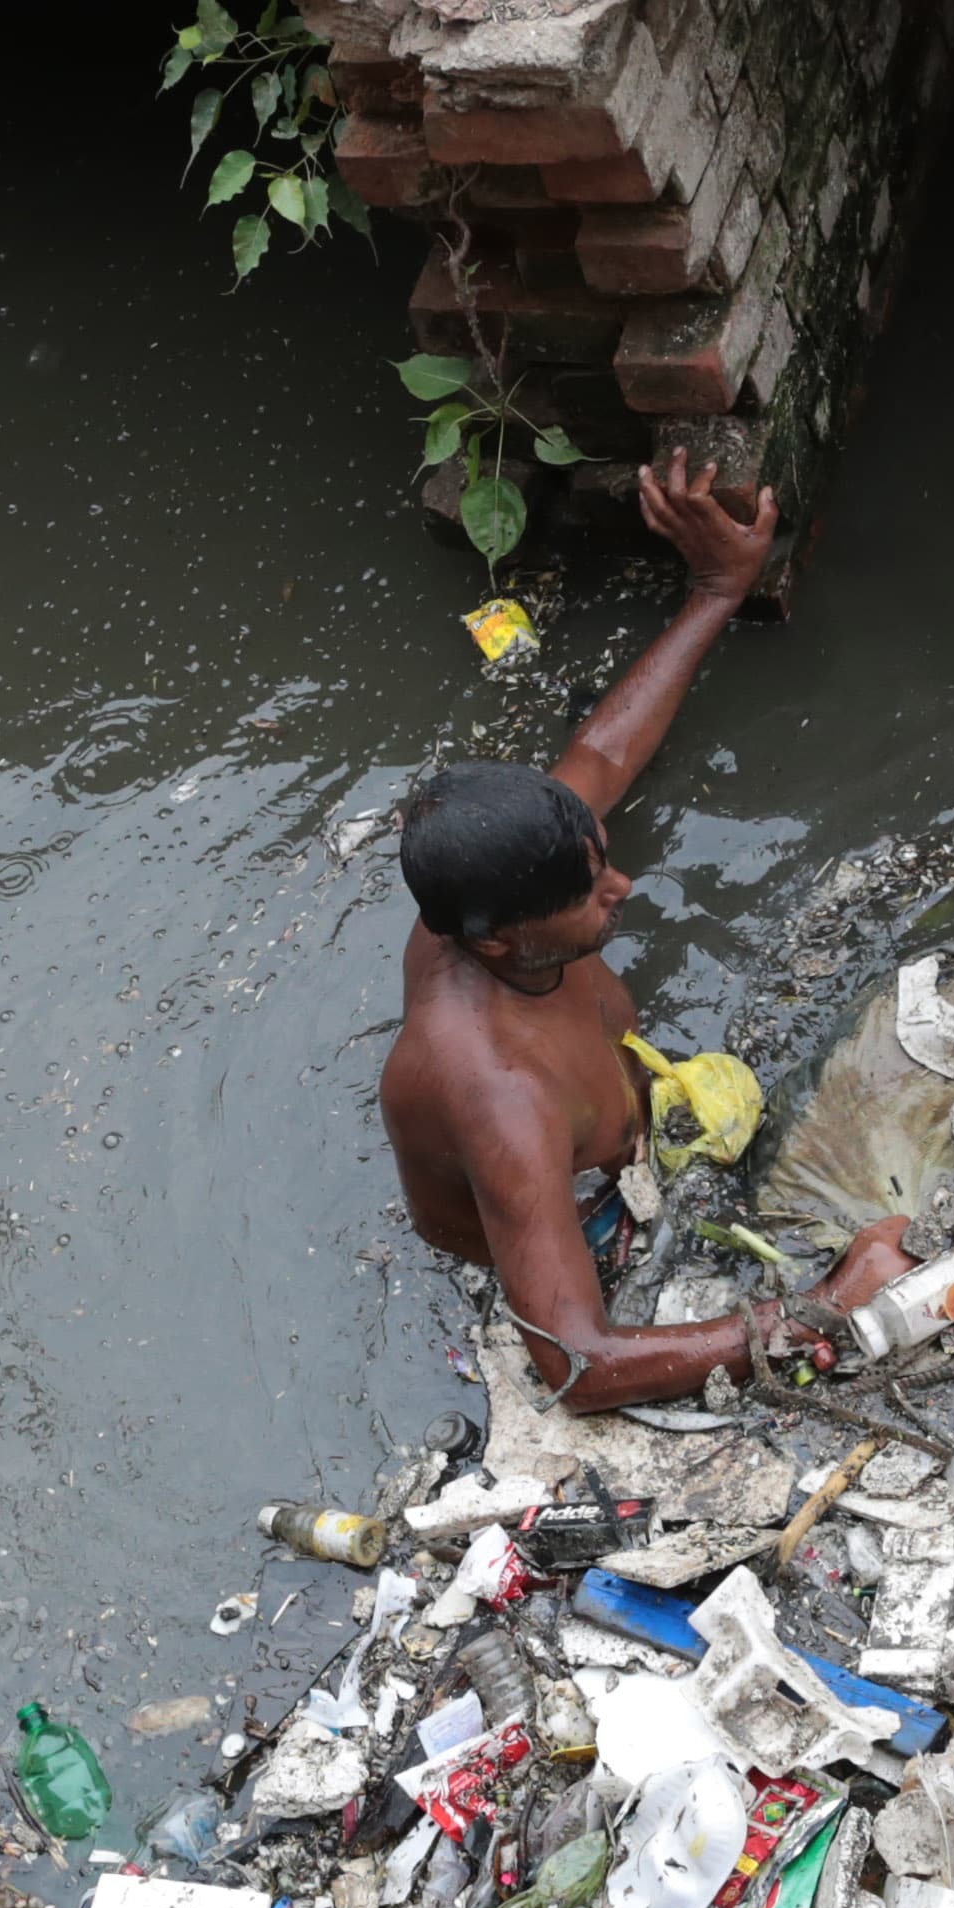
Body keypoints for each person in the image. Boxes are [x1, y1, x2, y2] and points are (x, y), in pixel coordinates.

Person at [380, 449, 911, 1409]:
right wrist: (824, 1307)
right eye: (588, 894)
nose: (619, 887)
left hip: (610, 1127)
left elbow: (601, 753)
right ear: (500, 940)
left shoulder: (502, 887)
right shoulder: (501, 1095)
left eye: (600, 860)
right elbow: (575, 1364)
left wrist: (716, 590)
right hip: (564, 1222)